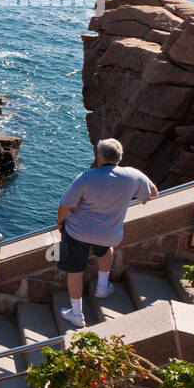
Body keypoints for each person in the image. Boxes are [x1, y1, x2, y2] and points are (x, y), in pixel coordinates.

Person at [56, 138, 158, 328]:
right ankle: (102, 287)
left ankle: (77, 314)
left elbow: (65, 206)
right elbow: (153, 192)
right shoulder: (133, 175)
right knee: (106, 248)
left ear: (99, 156)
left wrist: (60, 224)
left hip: (78, 232)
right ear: (120, 157)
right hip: (109, 232)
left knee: (75, 271)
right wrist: (142, 198)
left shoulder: (86, 177)